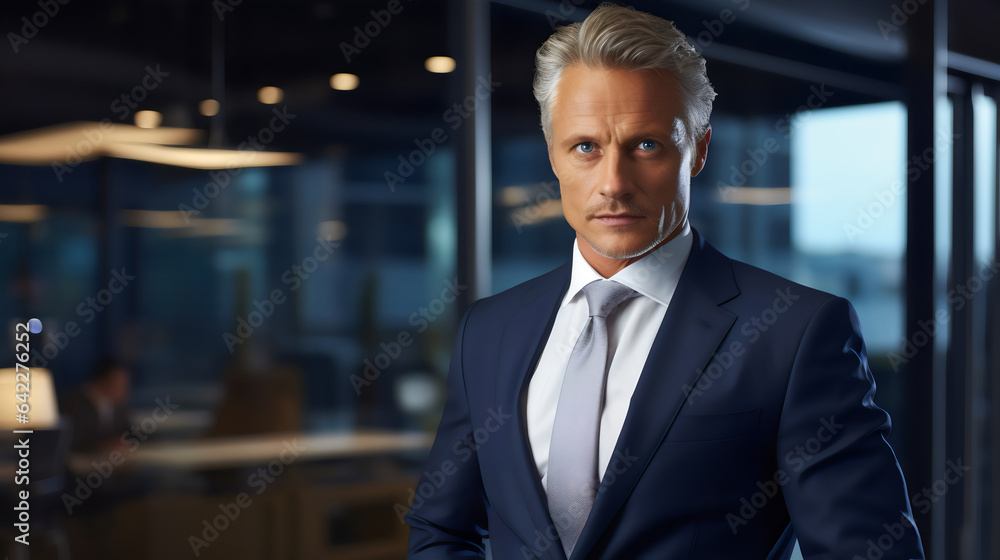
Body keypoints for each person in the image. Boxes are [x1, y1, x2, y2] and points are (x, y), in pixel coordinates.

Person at [405, 4, 925, 559]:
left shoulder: (794, 332)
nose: (613, 183)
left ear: (697, 150)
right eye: (586, 147)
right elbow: (442, 530)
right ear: (553, 155)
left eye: (646, 144)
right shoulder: (489, 330)